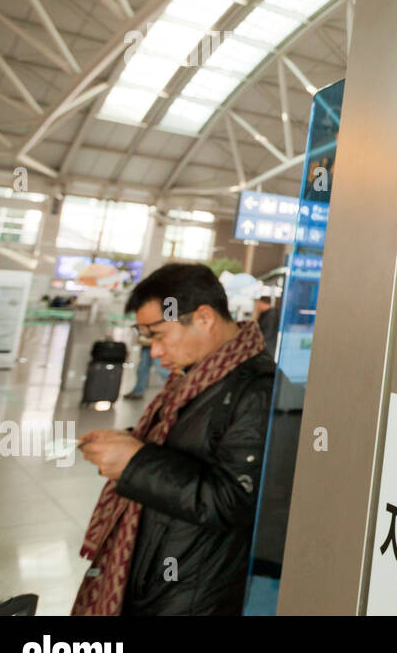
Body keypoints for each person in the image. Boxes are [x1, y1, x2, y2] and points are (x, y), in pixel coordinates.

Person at [72, 262, 275, 616]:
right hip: (160, 573)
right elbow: (189, 448)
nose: (153, 350)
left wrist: (136, 463)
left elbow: (235, 500)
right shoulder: (195, 378)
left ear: (204, 318)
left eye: (159, 334)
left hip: (193, 592)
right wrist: (132, 443)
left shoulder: (256, 391)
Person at [123, 331, 167, 399]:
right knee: (142, 370)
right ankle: (138, 391)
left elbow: (171, 322)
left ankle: (174, 388)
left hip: (158, 343)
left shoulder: (169, 320)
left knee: (162, 369)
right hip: (147, 345)